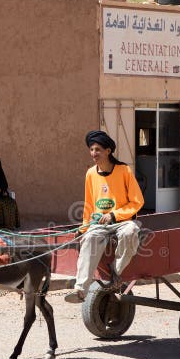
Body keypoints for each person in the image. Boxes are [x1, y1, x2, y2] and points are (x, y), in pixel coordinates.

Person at [64, 130, 144, 303]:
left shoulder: (124, 170)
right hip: (99, 223)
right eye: (91, 149)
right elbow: (89, 205)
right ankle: (80, 290)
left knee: (130, 233)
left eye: (98, 149)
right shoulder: (91, 174)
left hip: (123, 221)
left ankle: (115, 271)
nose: (94, 153)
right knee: (89, 238)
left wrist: (114, 215)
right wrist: (84, 228)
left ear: (108, 151)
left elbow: (137, 202)